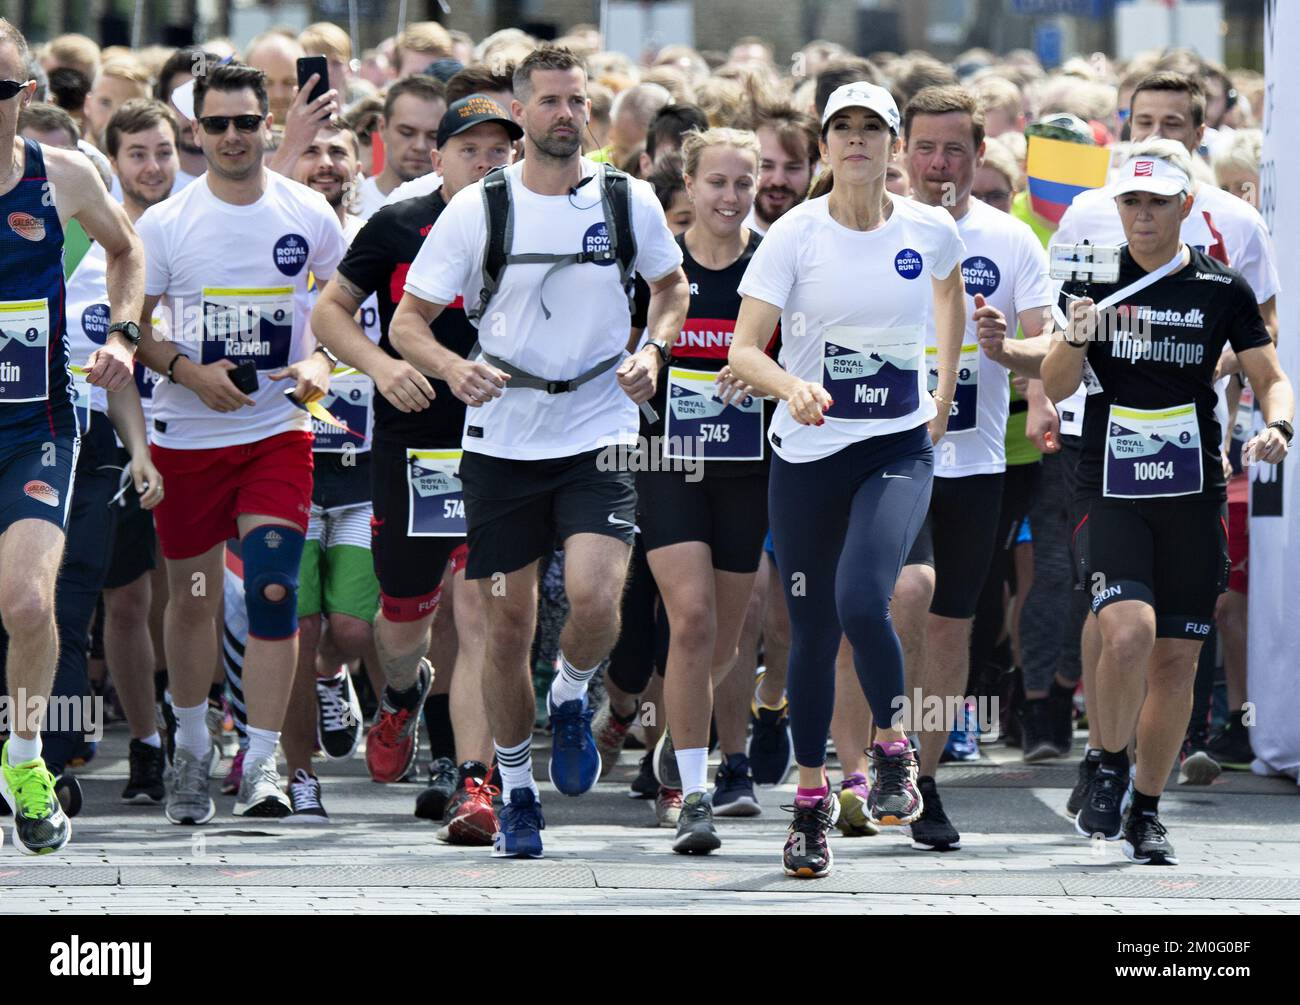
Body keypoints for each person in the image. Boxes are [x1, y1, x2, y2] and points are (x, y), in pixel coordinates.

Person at [388, 46, 687, 858]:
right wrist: (452, 368)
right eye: (550, 100)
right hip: (503, 436)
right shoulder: (478, 208)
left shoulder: (628, 200)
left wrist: (653, 351)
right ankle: (517, 788)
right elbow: (406, 322)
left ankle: (572, 689)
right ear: (519, 112)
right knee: (506, 619)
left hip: (598, 421)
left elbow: (672, 287)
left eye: (577, 101)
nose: (566, 113)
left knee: (594, 597)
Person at [730, 81, 967, 878]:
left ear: (895, 144)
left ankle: (893, 748)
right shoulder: (793, 235)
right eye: (844, 128)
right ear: (823, 146)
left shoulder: (929, 228)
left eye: (874, 127)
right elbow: (743, 349)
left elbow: (948, 298)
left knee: (867, 594)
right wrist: (788, 386)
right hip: (807, 451)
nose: (858, 139)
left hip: (895, 446)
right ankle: (807, 802)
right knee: (809, 629)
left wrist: (941, 394)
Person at [1040, 141, 1292, 864]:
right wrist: (1077, 336)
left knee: (1179, 659)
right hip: (1110, 485)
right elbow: (1056, 386)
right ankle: (1108, 758)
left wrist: (1277, 425)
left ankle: (1147, 808)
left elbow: (1271, 375)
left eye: (1157, 202)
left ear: (1187, 205)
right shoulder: (1094, 280)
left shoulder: (1221, 287)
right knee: (1128, 632)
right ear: (1116, 207)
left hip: (1191, 492)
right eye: (1131, 202)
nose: (1143, 215)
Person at [131, 62, 349, 825]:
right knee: (191, 602)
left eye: (245, 122)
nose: (231, 136)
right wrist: (187, 370)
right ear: (196, 130)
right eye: (216, 124)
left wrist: (319, 363)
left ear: (268, 123)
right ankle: (189, 745)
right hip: (187, 438)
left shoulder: (310, 213)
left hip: (275, 433)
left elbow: (346, 315)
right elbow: (135, 330)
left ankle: (263, 762)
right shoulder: (165, 224)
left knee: (274, 588)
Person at [311, 96, 520, 843]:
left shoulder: (537, 225)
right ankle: (401, 694)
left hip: (501, 445)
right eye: (473, 150)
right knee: (402, 622)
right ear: (438, 159)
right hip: (413, 448)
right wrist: (378, 366)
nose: (490, 163)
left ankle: (474, 782)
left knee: (480, 612)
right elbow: (329, 314)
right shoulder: (399, 224)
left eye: (502, 151)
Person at [890, 85, 1054, 851]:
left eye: (955, 148)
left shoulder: (1011, 239)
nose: (939, 163)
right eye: (924, 147)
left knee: (952, 626)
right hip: (883, 454)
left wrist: (1006, 350)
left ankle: (921, 782)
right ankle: (867, 767)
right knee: (891, 601)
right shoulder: (867, 227)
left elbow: (1049, 351)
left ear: (980, 155)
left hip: (976, 461)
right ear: (902, 152)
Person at [0, 18, 143, 853]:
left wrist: (122, 334)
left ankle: (24, 760)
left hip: (36, 421)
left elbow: (128, 253)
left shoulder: (63, 177)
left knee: (26, 599)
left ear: (24, 96)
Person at [634, 127, 773, 852]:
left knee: (720, 636)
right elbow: (620, 350)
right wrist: (642, 368)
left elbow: (800, 353)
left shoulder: (771, 267)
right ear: (687, 187)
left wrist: (759, 373)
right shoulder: (658, 270)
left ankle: (675, 736)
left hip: (748, 469)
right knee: (687, 619)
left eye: (743, 183)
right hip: (670, 466)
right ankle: (693, 788)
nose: (730, 196)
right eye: (716, 182)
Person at [356, 75, 446, 216]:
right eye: (407, 132)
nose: (420, 146)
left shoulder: (457, 209)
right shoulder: (352, 205)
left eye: (433, 136)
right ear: (382, 127)